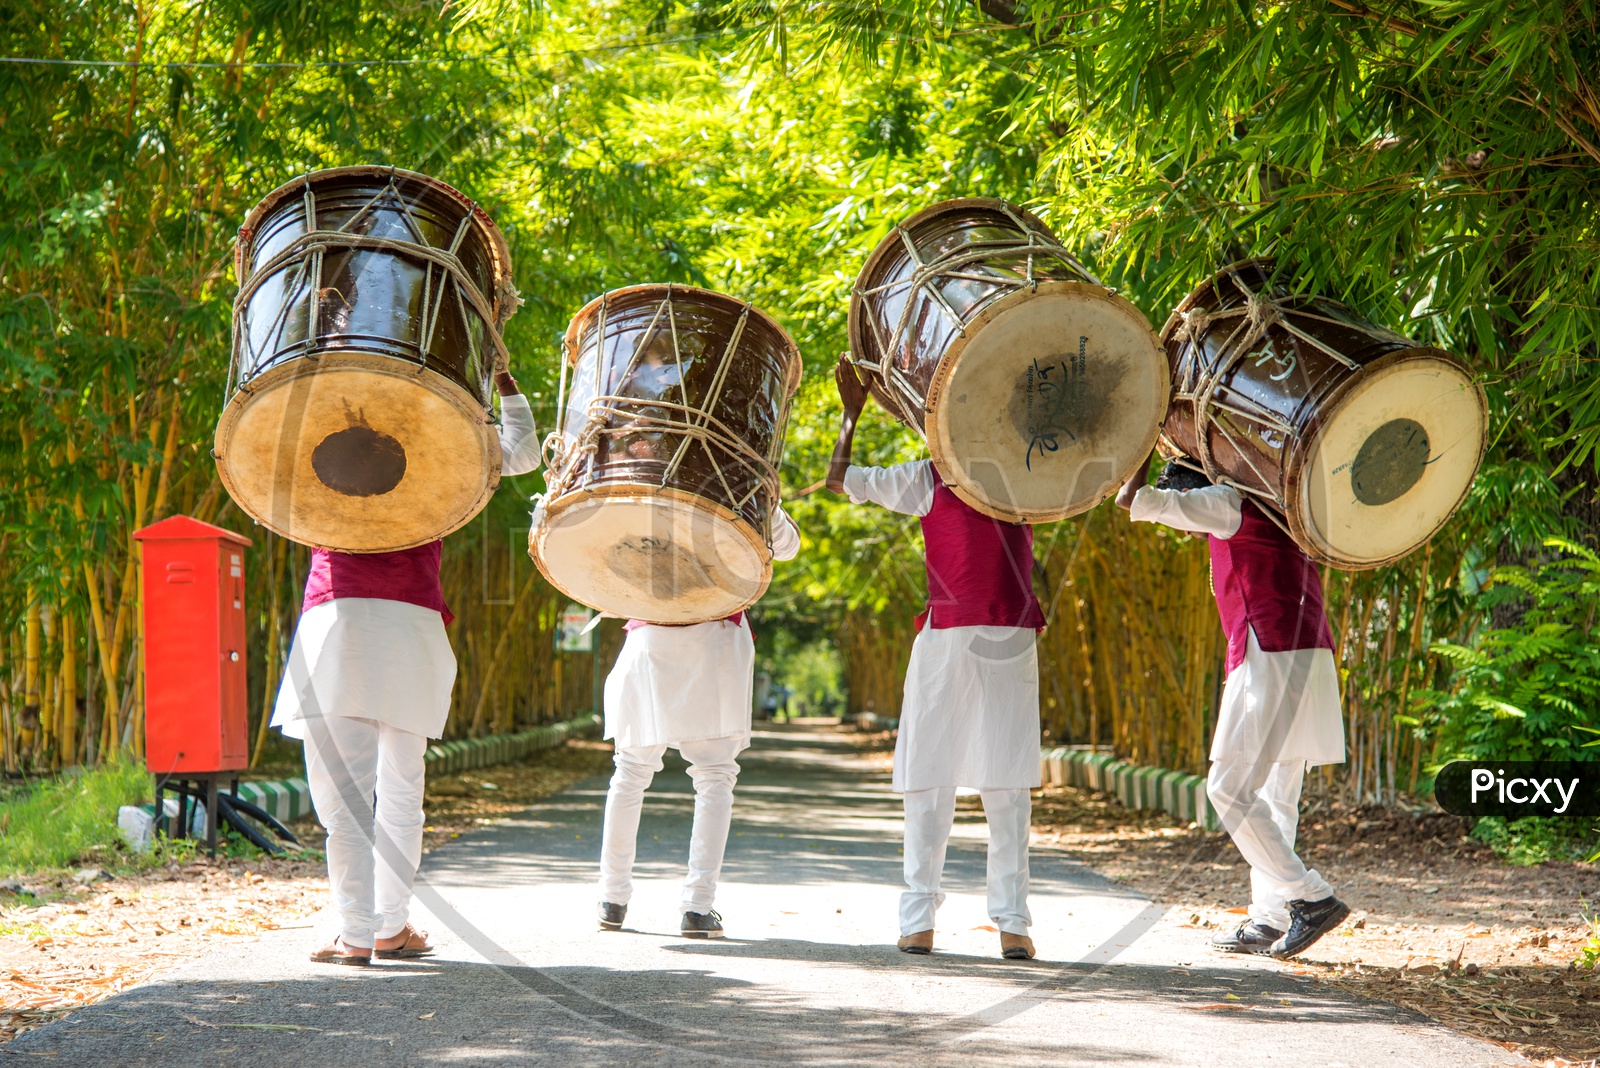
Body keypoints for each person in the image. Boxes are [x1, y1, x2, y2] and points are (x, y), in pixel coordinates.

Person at [273, 369, 543, 966]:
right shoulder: (434, 452)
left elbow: (247, 454)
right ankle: (389, 927)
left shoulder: (313, 446)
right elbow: (522, 453)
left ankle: (358, 934)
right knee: (400, 794)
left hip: (335, 625)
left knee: (343, 803)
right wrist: (505, 382)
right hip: (408, 628)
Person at [824, 355, 1043, 961]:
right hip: (969, 639)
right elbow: (839, 482)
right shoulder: (952, 475)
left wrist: (855, 413)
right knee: (941, 783)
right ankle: (944, 920)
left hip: (994, 640)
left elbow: (837, 478)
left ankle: (1003, 923)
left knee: (991, 786)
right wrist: (850, 412)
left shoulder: (1027, 473)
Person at [1116, 457, 1350, 959]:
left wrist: (1137, 447)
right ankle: (1268, 919)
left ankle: (1312, 896)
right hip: (1308, 653)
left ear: (1195, 493)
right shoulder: (1281, 507)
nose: (1187, 531)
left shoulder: (1227, 504)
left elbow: (1133, 502)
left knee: (1227, 788)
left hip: (1272, 653)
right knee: (1275, 795)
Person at [596, 509, 801, 939]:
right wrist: (771, 502)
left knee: (630, 773)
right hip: (713, 639)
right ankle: (697, 907)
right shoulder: (739, 483)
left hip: (649, 637)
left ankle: (611, 899)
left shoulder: (636, 483)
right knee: (713, 777)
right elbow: (786, 546)